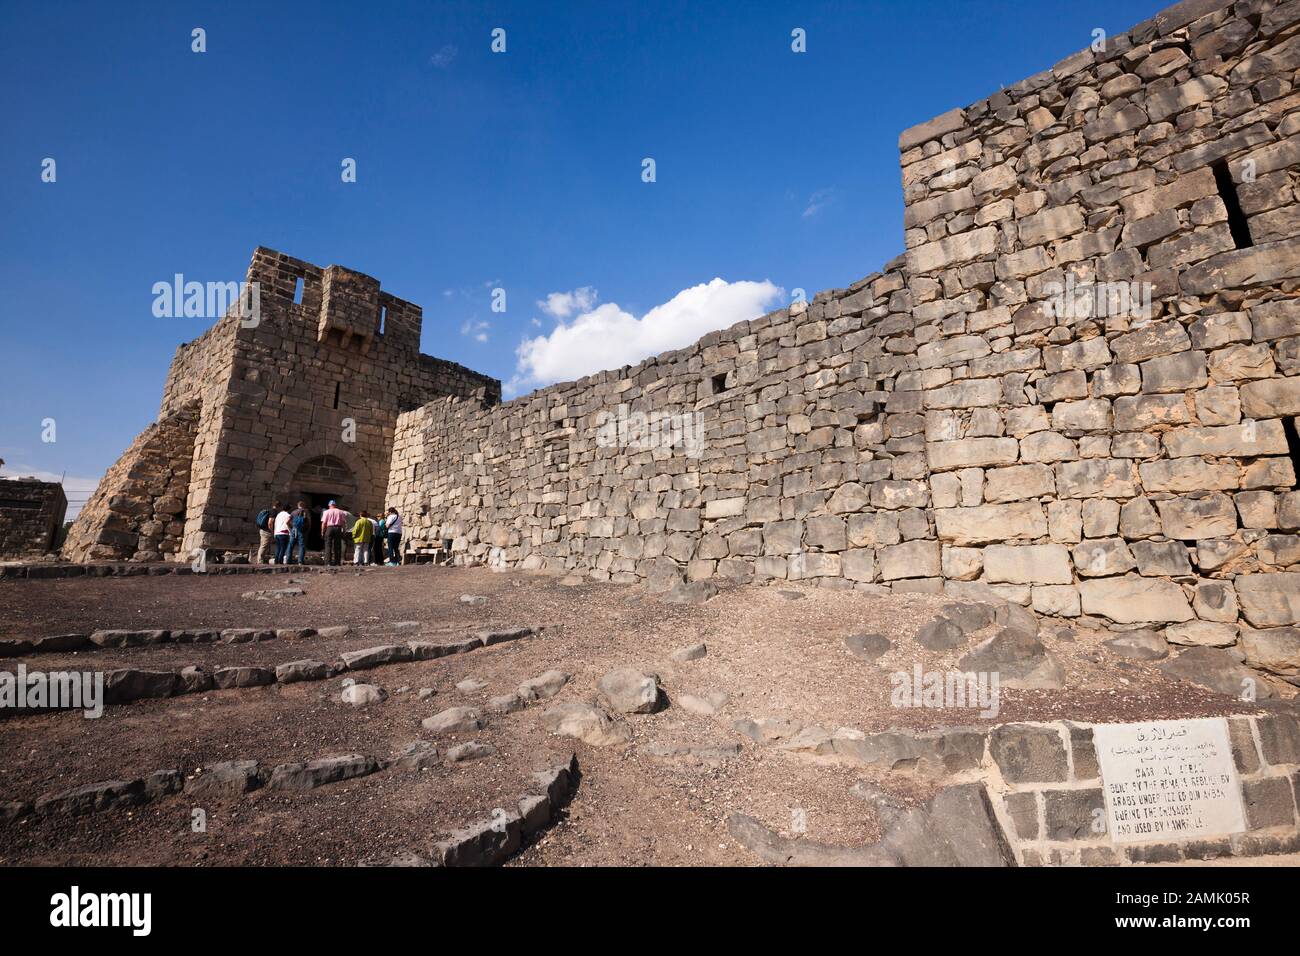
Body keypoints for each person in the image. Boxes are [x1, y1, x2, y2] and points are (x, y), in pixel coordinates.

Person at [321, 500, 346, 566]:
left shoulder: (326, 512)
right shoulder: (341, 512)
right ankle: (337, 562)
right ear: (335, 505)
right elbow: (343, 523)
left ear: (329, 505)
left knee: (328, 545)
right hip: (338, 528)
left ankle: (328, 562)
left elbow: (324, 523)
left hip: (329, 528)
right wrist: (344, 530)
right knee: (337, 545)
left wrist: (322, 531)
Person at [289, 500, 310, 564]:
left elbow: (288, 521)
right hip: (302, 530)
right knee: (301, 545)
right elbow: (309, 522)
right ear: (303, 505)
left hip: (294, 529)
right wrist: (308, 529)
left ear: (298, 505)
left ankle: (288, 560)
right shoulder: (306, 511)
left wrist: (291, 528)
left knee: (290, 545)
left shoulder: (293, 512)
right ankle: (300, 561)